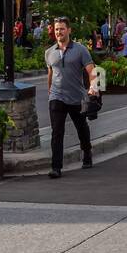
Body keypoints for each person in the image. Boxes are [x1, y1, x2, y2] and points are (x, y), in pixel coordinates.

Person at [45, 17, 99, 179]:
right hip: (56, 97)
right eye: (56, 29)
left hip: (77, 97)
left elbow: (92, 71)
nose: (59, 32)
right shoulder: (49, 52)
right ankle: (56, 167)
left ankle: (87, 153)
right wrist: (50, 91)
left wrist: (93, 88)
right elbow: (50, 73)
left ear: (69, 30)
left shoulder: (81, 50)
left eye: (61, 29)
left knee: (82, 128)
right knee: (57, 132)